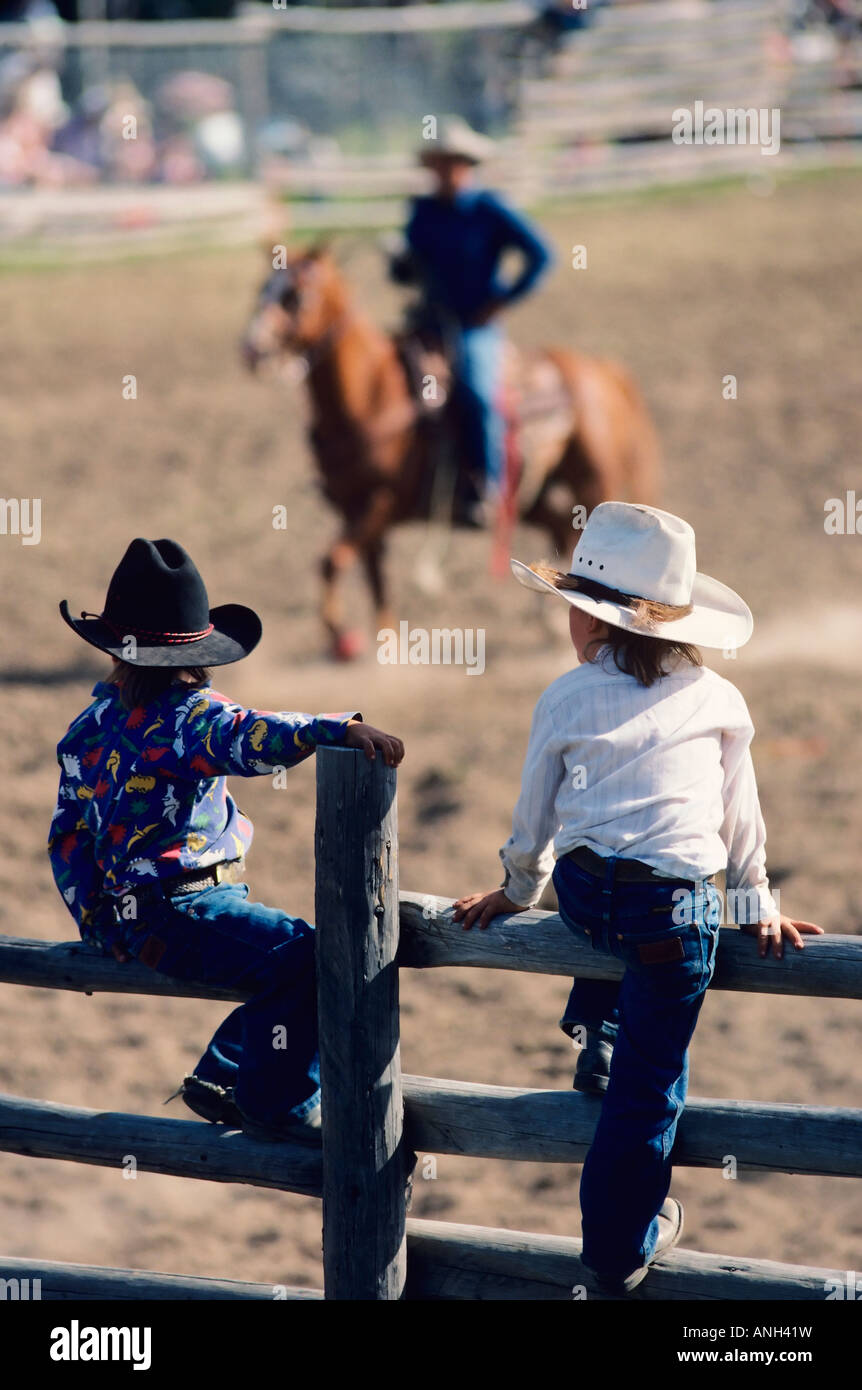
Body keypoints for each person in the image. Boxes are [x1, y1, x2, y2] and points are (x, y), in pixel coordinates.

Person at [453, 502, 823, 1293]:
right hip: (678, 910)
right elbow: (740, 817)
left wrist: (520, 892)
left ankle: (602, 1024)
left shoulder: (564, 698)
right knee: (649, 1095)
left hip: (588, 894)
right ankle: (621, 1246)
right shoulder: (721, 699)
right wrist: (756, 905)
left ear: (591, 624)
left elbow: (534, 822)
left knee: (604, 901)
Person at [49, 537, 404, 1144]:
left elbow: (68, 839)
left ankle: (229, 1074)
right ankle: (258, 1094)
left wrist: (99, 922)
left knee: (284, 958)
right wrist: (333, 729)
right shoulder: (188, 716)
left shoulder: (89, 727)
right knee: (310, 957)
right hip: (183, 903)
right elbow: (251, 736)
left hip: (136, 912)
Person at [392, 115, 554, 525]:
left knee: (477, 393)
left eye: (452, 162)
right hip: (426, 322)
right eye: (438, 163)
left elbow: (541, 254)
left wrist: (503, 300)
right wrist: (400, 264)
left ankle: (488, 488)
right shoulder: (423, 212)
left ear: (467, 165)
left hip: (474, 326)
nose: (444, 171)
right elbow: (409, 268)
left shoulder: (490, 210)